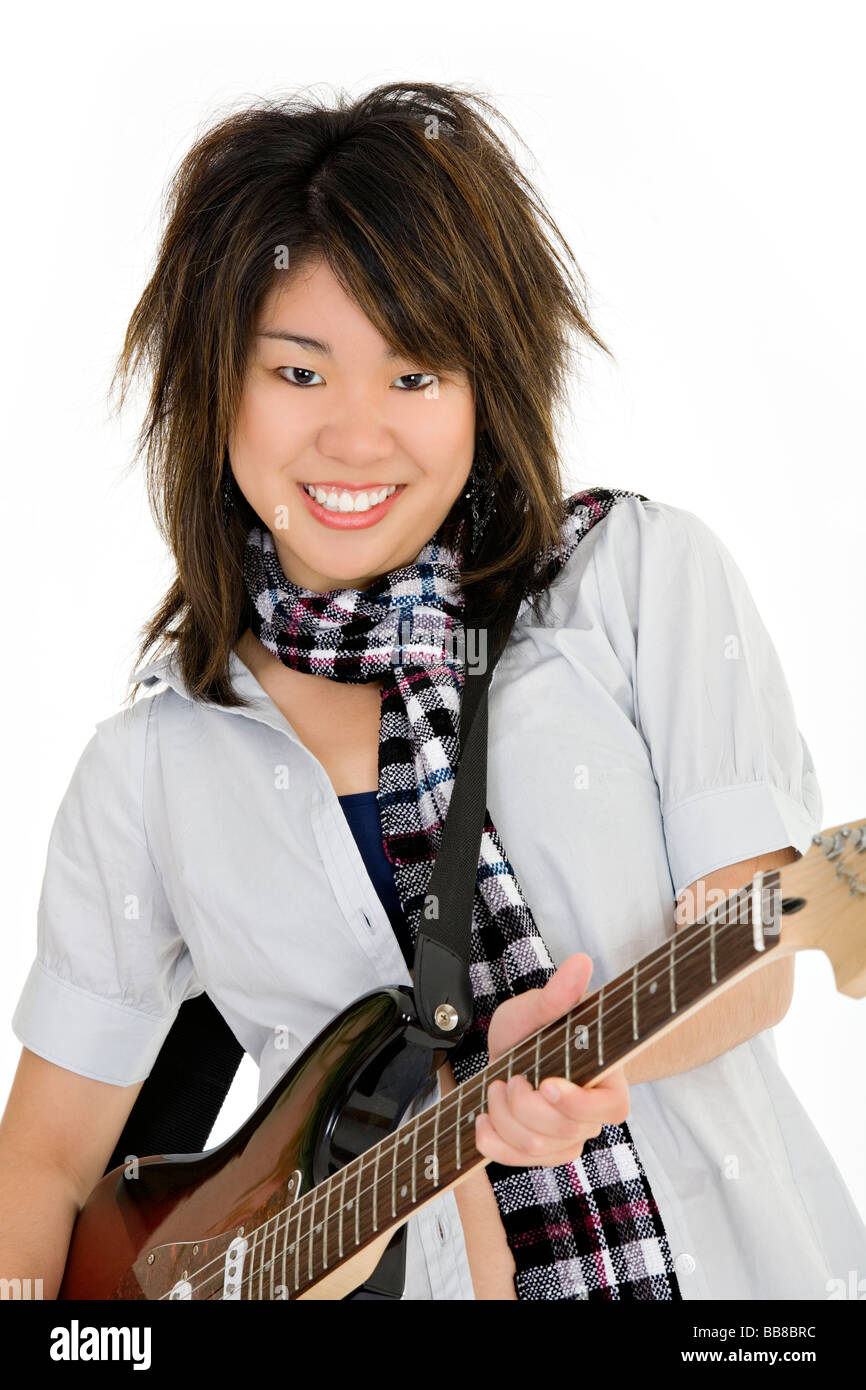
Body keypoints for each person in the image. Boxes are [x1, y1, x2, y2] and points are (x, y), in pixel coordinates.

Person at [1, 80, 864, 1303]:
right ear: (214, 389)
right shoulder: (150, 768)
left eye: (414, 377)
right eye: (298, 374)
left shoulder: (629, 584)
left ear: (485, 387)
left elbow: (754, 956)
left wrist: (556, 1069)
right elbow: (42, 1164)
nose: (356, 438)